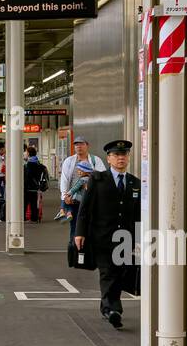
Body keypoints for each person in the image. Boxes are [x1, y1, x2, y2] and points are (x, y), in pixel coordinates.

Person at [75, 139, 140, 329]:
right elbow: (85, 209)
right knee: (108, 273)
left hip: (126, 239)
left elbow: (139, 214)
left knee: (119, 274)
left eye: (124, 155)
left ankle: (107, 307)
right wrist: (80, 233)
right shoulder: (97, 180)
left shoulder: (135, 183)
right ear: (109, 158)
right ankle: (114, 310)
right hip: (101, 237)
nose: (121, 158)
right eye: (116, 155)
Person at [58, 136, 106, 236]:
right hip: (74, 200)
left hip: (91, 200)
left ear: (87, 145)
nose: (78, 146)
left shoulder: (95, 160)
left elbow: (103, 178)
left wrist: (89, 175)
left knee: (91, 226)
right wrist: (65, 196)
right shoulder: (69, 161)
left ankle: (88, 248)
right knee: (75, 227)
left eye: (81, 144)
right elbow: (64, 180)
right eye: (76, 144)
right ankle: (74, 248)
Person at [23, 146, 48, 222]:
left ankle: (23, 218)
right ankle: (34, 218)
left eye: (26, 152)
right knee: (34, 203)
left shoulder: (29, 164)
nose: (24, 153)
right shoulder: (38, 163)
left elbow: (28, 176)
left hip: (28, 186)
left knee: (24, 203)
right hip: (36, 186)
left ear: (28, 153)